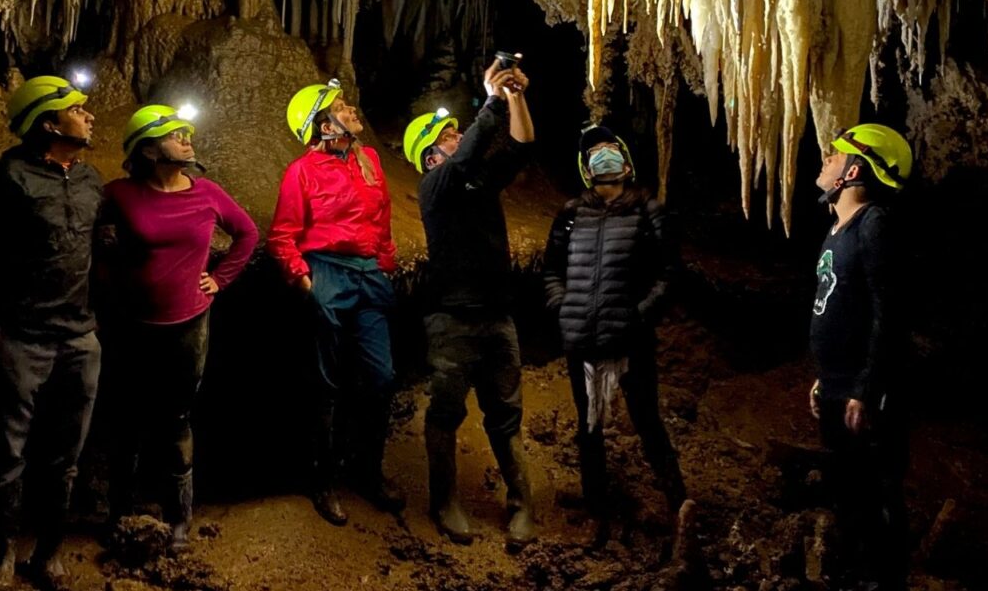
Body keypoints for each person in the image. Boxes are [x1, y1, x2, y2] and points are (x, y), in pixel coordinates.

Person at [0, 74, 103, 585]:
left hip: (79, 339)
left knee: (65, 455)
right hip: (22, 338)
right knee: (7, 454)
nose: (88, 115)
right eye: (76, 109)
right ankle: (0, 552)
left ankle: (48, 551)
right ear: (48, 122)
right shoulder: (6, 180)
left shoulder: (90, 181)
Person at [97, 104, 258, 551]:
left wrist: (219, 279)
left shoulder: (206, 192)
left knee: (175, 419)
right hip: (132, 325)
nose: (187, 138)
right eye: (174, 134)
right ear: (148, 150)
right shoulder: (120, 194)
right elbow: (85, 233)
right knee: (126, 418)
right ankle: (119, 511)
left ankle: (179, 518)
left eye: (186, 132)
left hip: (188, 324)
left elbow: (247, 234)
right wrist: (107, 276)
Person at [407, 58, 536, 549]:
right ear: (430, 156)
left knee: (505, 412)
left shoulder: (480, 186)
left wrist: (516, 97)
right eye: (446, 136)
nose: (456, 137)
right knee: (445, 411)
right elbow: (469, 152)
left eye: (455, 131)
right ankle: (444, 501)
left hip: (498, 317)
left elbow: (523, 147)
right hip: (451, 320)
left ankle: (522, 504)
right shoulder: (433, 187)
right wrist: (490, 97)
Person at [542, 125, 686, 543]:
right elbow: (552, 269)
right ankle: (596, 511)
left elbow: (670, 273)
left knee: (647, 420)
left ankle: (678, 503)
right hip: (583, 339)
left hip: (630, 340)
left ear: (626, 163)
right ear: (587, 168)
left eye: (611, 149)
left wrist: (639, 316)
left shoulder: (648, 212)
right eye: (595, 151)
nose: (603, 154)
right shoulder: (570, 214)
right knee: (588, 427)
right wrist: (562, 305)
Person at [268, 80, 401, 526]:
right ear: (324, 126)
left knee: (382, 378)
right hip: (326, 270)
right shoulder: (301, 172)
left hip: (367, 275)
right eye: (341, 108)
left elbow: (381, 220)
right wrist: (303, 278)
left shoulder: (370, 161)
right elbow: (282, 234)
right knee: (326, 383)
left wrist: (384, 262)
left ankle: (368, 471)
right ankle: (323, 481)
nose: (352, 110)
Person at [809, 123, 913, 591]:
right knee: (847, 494)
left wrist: (866, 389)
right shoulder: (838, 229)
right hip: (837, 384)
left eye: (833, 155)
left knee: (874, 497)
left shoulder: (874, 225)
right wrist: (825, 379)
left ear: (852, 171)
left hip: (862, 392)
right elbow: (838, 308)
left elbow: (887, 313)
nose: (823, 161)